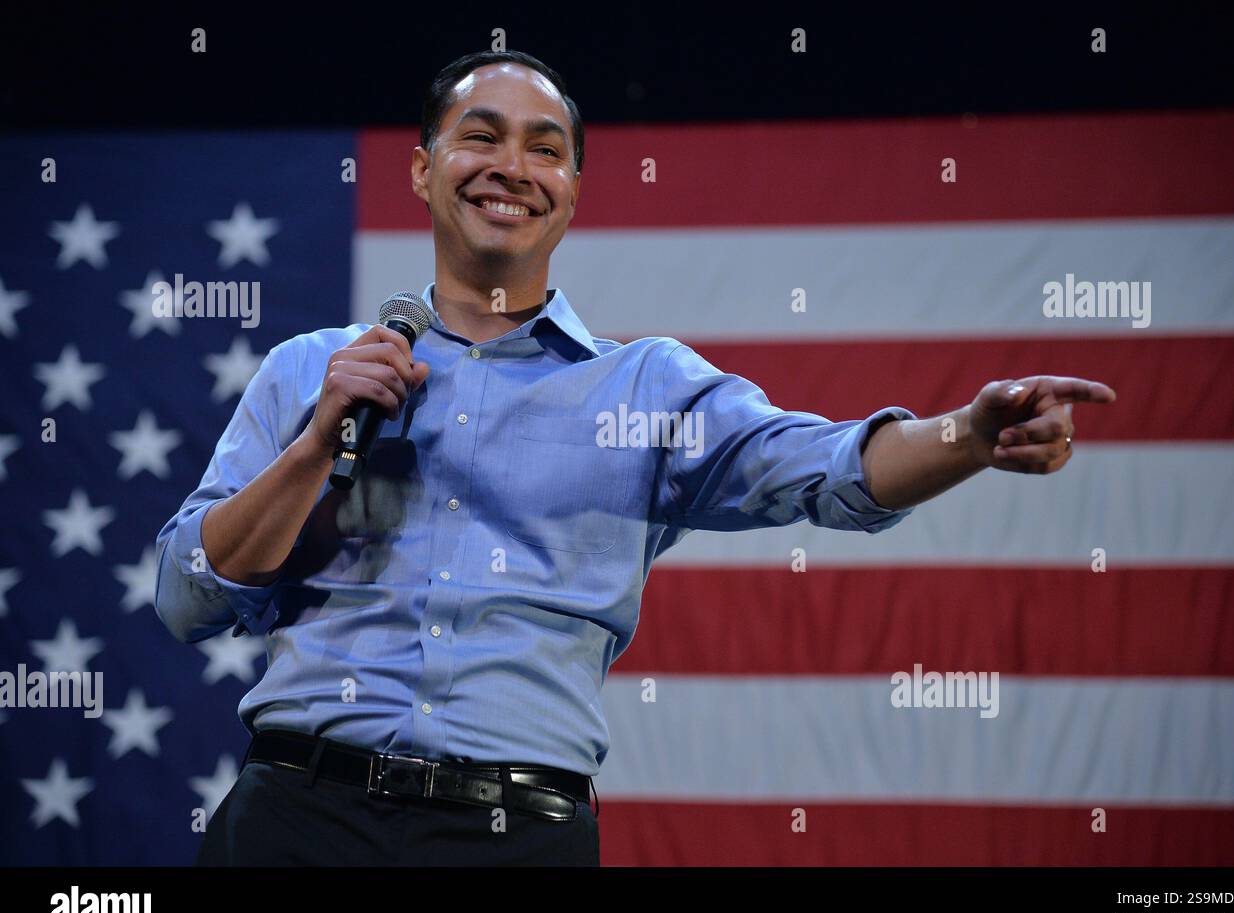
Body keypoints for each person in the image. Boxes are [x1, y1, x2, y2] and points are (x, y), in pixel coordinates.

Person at [155, 49, 1116, 867]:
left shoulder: (648, 389)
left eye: (546, 150)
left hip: (515, 837)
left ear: (571, 191)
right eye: (481, 137)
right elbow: (188, 597)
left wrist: (969, 435)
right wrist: (318, 444)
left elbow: (828, 468)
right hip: (292, 817)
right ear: (422, 169)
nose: (512, 167)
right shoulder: (310, 372)